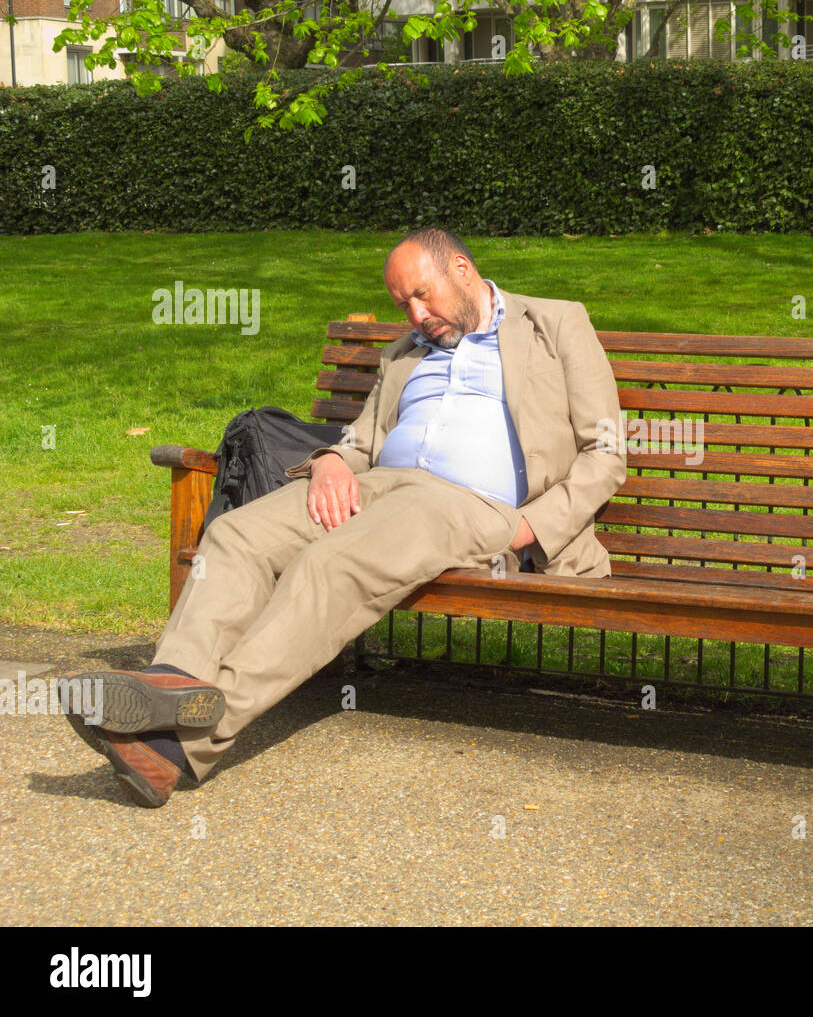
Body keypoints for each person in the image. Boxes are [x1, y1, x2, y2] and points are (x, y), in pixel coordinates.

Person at [68, 227, 627, 807]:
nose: (416, 313)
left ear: (461, 267)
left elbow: (606, 452)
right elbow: (363, 439)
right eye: (403, 304)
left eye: (422, 293)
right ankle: (173, 684)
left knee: (330, 562)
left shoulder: (555, 323)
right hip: (379, 486)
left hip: (475, 507)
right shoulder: (404, 352)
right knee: (237, 534)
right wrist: (333, 460)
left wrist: (529, 528)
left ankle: (178, 742)